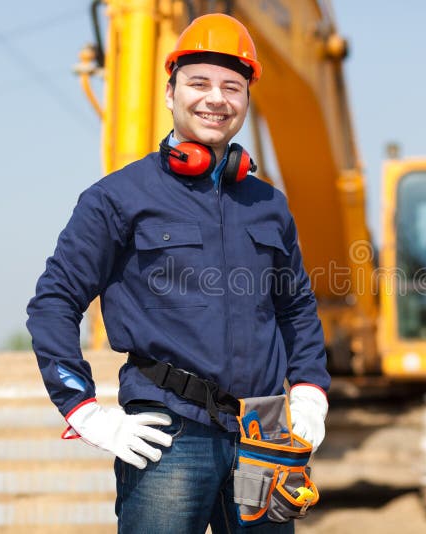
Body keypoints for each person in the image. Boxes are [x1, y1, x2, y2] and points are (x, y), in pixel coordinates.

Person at [26, 13, 330, 533]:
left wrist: (309, 390)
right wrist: (83, 409)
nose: (216, 98)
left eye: (232, 87)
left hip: (268, 434)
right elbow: (54, 301)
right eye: (199, 83)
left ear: (245, 102)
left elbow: (295, 307)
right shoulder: (118, 198)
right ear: (170, 94)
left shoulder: (269, 206)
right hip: (170, 431)